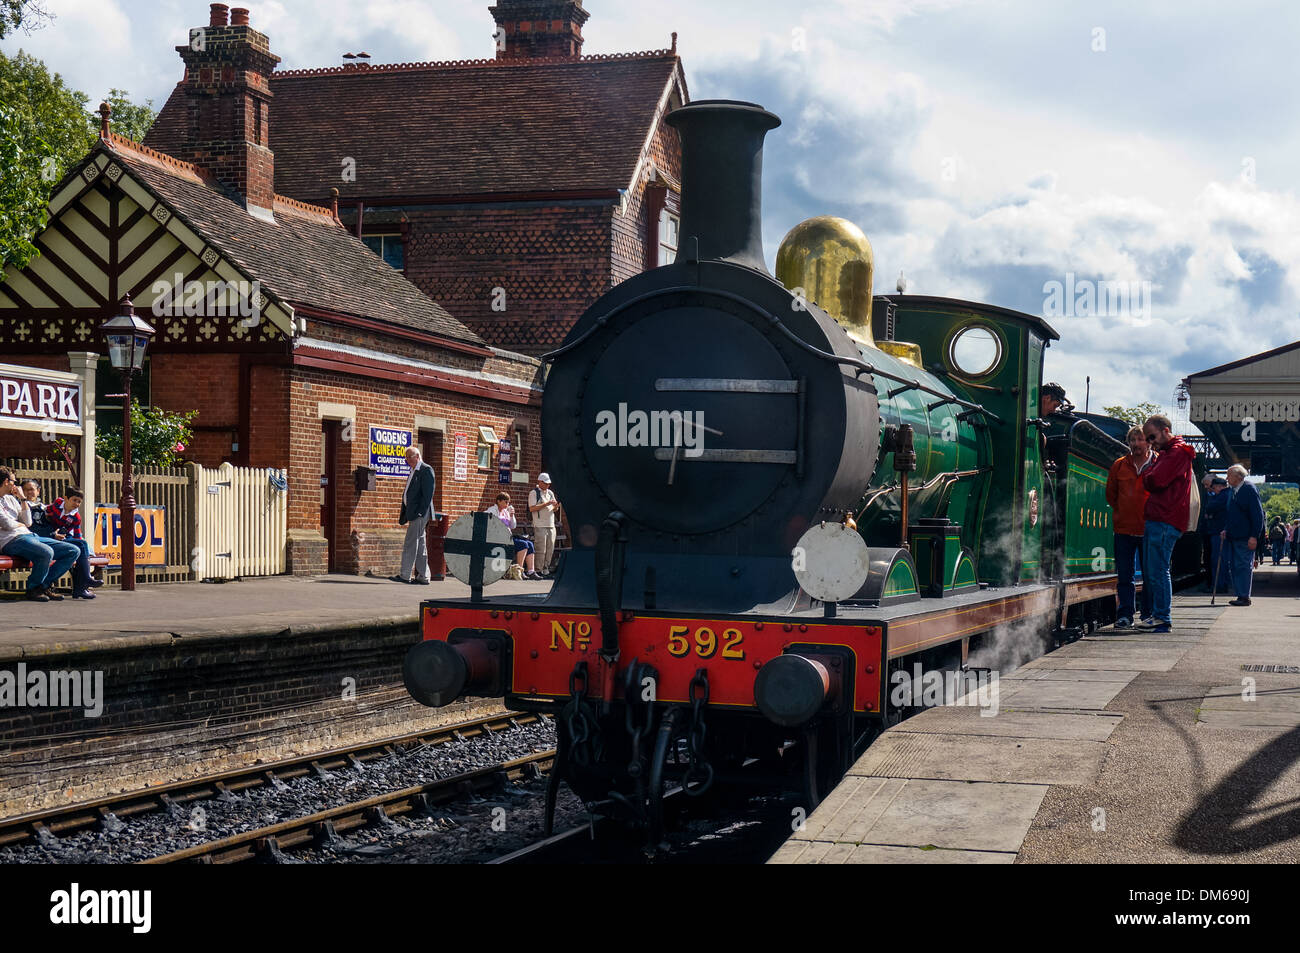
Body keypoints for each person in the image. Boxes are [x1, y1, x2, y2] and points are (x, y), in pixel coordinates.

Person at [1137, 415, 1196, 633]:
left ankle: (1162, 616)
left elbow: (1155, 480)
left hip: (1164, 517)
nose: (1151, 443)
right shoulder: (1172, 452)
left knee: (1158, 570)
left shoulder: (1176, 452)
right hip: (1163, 517)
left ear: (1165, 430)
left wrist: (1148, 473)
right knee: (1156, 570)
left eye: (1152, 437)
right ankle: (1160, 614)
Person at [0, 467, 80, 602]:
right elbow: (7, 524)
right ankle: (33, 589)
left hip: (29, 536)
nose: (16, 484)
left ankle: (42, 586)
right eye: (14, 481)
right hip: (10, 541)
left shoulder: (11, 499)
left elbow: (28, 522)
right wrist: (20, 524)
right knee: (46, 552)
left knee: (72, 550)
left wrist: (23, 499)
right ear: (7, 481)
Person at [1105, 426, 1155, 628]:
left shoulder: (1158, 463)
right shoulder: (1119, 465)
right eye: (1132, 440)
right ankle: (1125, 614)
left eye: (1139, 440)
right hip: (1123, 530)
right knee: (1124, 576)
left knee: (1151, 575)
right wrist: (1122, 512)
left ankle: (1148, 614)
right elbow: (1111, 495)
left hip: (1149, 529)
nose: (1135, 444)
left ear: (1148, 442)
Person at [46, 488, 102, 599]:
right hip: (50, 536)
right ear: (65, 498)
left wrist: (87, 551)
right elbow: (47, 512)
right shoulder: (57, 503)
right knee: (80, 546)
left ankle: (81, 587)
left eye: (79, 502)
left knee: (81, 545)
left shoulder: (76, 517)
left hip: (64, 538)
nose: (76, 504)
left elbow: (77, 535)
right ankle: (84, 582)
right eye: (74, 500)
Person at [1222, 465, 1265, 607]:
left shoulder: (1248, 489)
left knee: (1243, 566)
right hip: (1234, 535)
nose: (1227, 478)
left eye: (1229, 475)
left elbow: (1257, 515)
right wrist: (1226, 529)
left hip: (1245, 536)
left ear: (1238, 476)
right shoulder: (1233, 491)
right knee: (1235, 566)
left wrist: (1254, 536)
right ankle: (1241, 594)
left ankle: (1244, 596)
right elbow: (1231, 514)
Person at [392, 447, 435, 585]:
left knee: (410, 543)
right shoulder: (414, 470)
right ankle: (423, 576)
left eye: (410, 457)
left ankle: (405, 575)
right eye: (406, 458)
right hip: (414, 512)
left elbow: (428, 495)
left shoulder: (425, 470)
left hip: (419, 514)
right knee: (420, 544)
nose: (408, 460)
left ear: (417, 456)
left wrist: (420, 512)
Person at [485, 492, 541, 579]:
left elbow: (513, 526)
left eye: (508, 502)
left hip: (507, 537)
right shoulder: (492, 510)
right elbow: (486, 519)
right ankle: (518, 571)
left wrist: (512, 516)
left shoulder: (506, 512)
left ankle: (531, 571)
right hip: (498, 539)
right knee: (523, 545)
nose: (507, 504)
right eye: (505, 502)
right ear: (499, 501)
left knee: (530, 544)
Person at [1201, 476, 1232, 595]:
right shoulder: (1229, 494)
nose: (1212, 491)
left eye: (1214, 488)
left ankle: (1219, 585)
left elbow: (1209, 507)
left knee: (1218, 559)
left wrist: (1209, 513)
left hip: (1219, 532)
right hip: (1221, 530)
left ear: (1220, 487)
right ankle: (1221, 584)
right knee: (1221, 559)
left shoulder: (1223, 495)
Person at [528, 473, 559, 578]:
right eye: (545, 483)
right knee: (541, 548)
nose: (547, 485)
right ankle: (538, 569)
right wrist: (546, 504)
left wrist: (556, 506)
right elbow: (532, 508)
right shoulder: (534, 493)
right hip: (540, 524)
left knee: (550, 548)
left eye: (548, 483)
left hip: (551, 524)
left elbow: (555, 510)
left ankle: (546, 569)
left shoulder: (550, 493)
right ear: (539, 482)